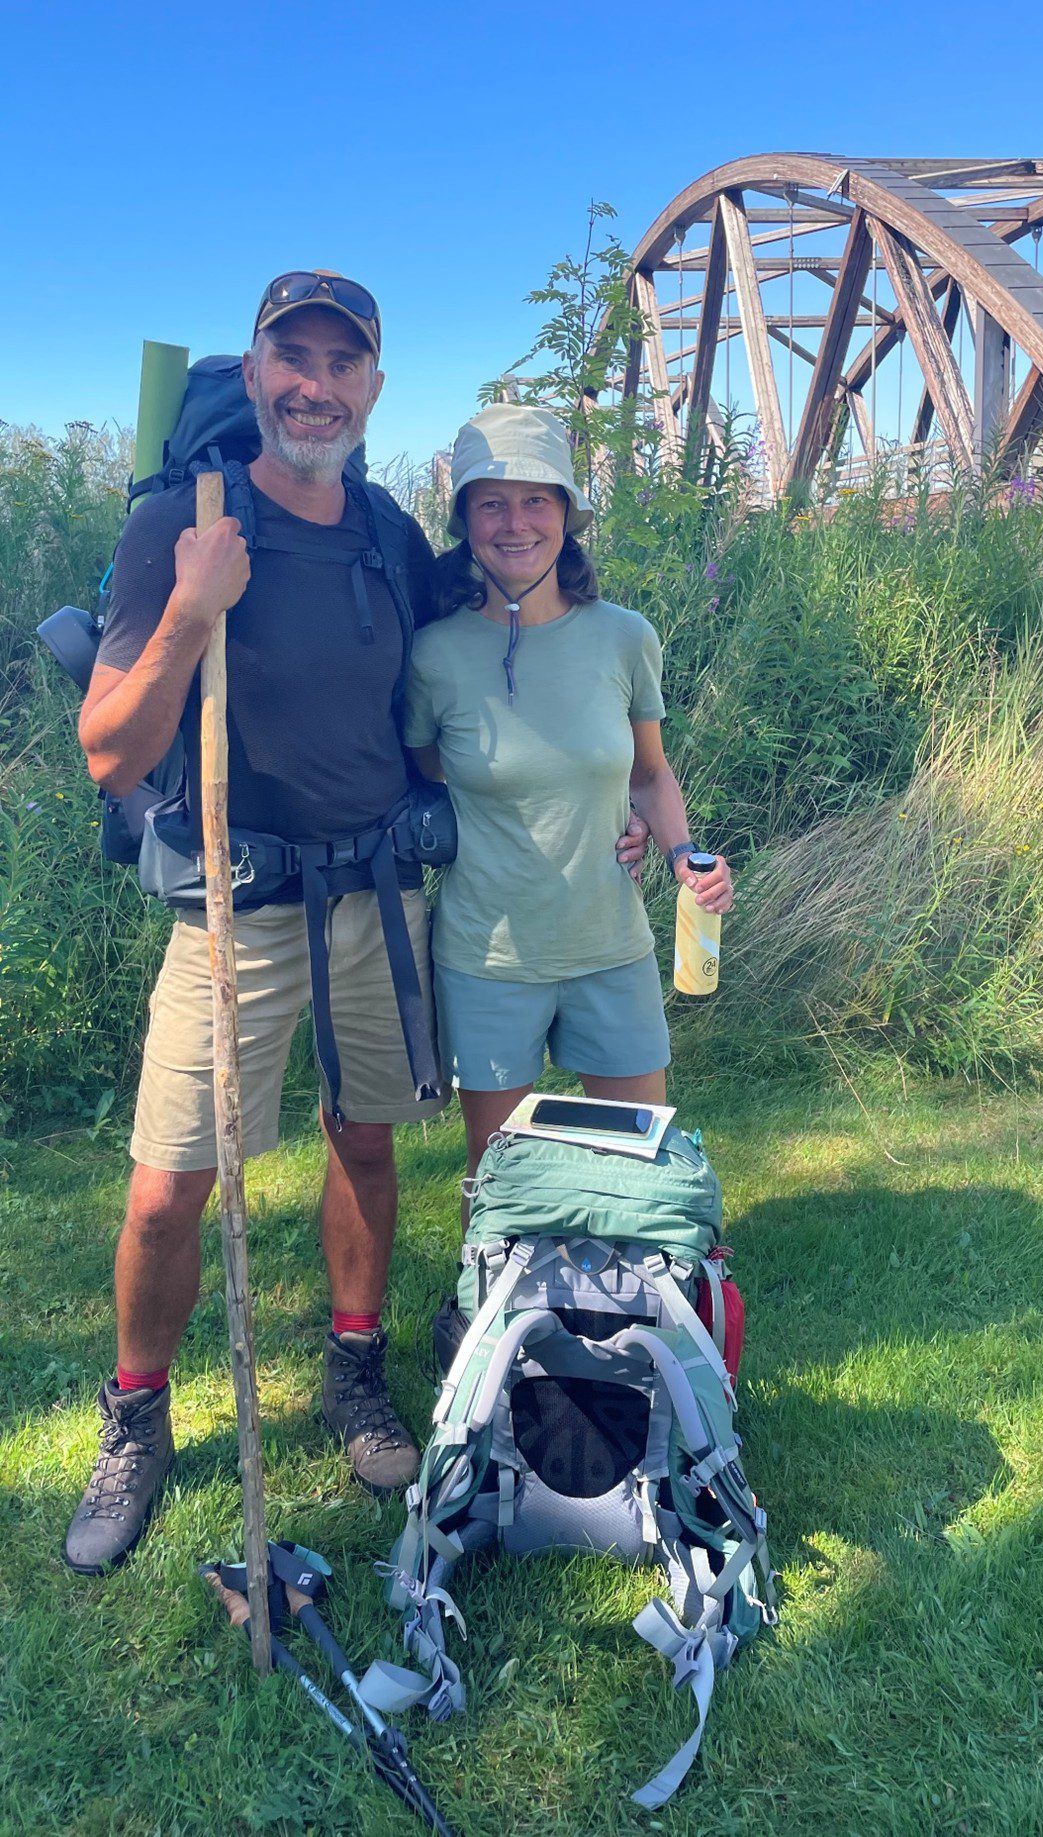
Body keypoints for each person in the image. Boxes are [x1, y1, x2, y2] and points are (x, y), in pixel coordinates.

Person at [66, 274, 447, 1574]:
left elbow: (476, 689)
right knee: (171, 1188)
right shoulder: (186, 521)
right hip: (238, 904)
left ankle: (354, 1371)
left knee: (369, 1145)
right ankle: (138, 1418)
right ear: (256, 363)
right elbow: (110, 750)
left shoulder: (392, 537)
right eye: (296, 354)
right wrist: (188, 607)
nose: (317, 383)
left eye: (346, 362)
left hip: (378, 901)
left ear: (375, 388)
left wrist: (620, 790)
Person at [405, 403, 733, 1211]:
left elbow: (649, 776)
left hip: (609, 947)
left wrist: (679, 856)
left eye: (535, 500)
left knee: (636, 1167)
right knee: (499, 1181)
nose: (514, 523)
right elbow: (424, 774)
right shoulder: (434, 653)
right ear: (464, 521)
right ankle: (494, 1321)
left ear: (567, 515)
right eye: (491, 502)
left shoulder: (624, 637)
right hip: (487, 958)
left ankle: (626, 1321)